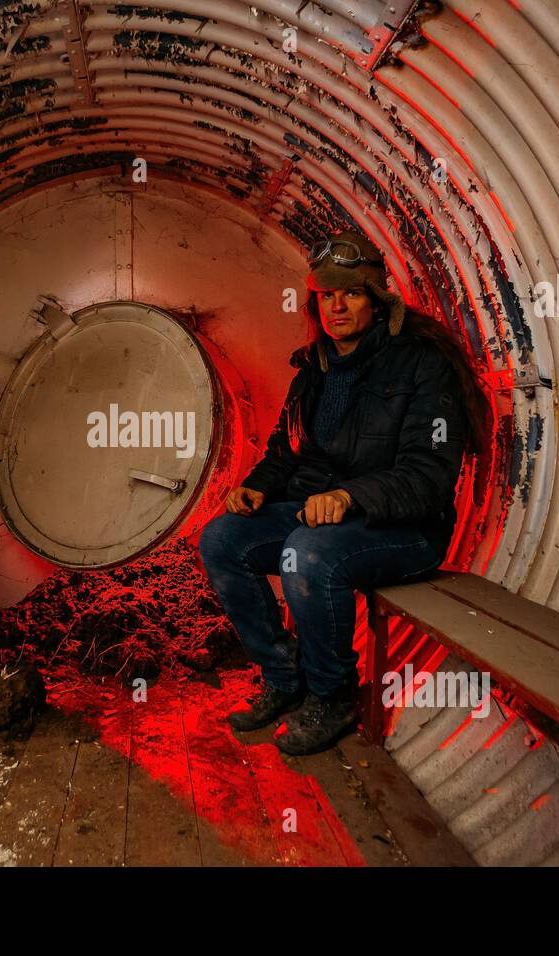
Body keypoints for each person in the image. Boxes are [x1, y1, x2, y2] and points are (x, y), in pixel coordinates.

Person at [199, 229, 493, 755]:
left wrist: (348, 497)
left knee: (307, 554)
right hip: (323, 519)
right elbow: (285, 454)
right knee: (224, 537)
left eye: (351, 294)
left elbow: (429, 475)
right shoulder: (313, 368)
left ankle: (332, 695)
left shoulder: (422, 365)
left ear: (377, 299)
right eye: (327, 296)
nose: (337, 306)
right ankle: (284, 678)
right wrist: (256, 488)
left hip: (405, 530)